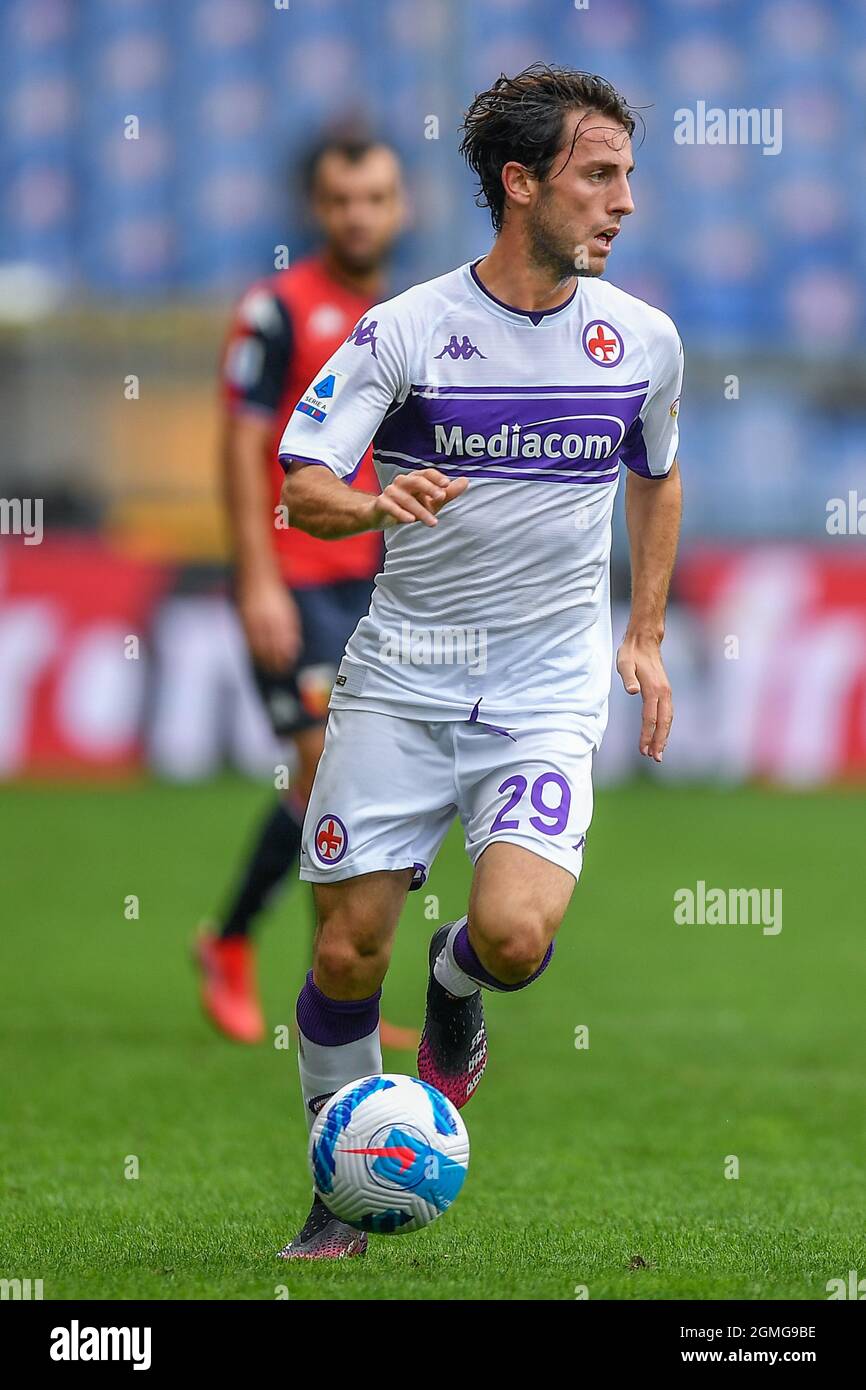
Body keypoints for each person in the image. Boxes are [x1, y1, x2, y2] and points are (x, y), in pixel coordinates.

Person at [275, 64, 684, 1258]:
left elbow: (656, 479)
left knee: (512, 935)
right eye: (595, 176)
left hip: (543, 688)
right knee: (348, 947)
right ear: (520, 184)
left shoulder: (641, 343)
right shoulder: (404, 330)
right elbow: (303, 486)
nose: (620, 202)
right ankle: (335, 1185)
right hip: (401, 679)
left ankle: (454, 995)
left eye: (625, 177)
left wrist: (644, 634)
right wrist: (371, 506)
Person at [195, 134, 418, 1051]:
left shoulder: (415, 313)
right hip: (296, 580)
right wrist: (257, 579)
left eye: (374, 197)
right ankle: (234, 942)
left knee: (355, 780)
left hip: (381, 581)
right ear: (315, 210)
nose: (357, 214)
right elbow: (243, 446)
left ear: (399, 205)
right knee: (326, 762)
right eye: (339, 199)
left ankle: (333, 981)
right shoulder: (276, 309)